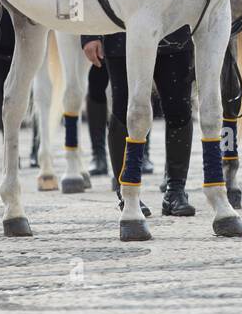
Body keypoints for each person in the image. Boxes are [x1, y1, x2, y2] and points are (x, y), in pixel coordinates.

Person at [81, 28, 196, 217]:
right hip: (122, 33)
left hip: (173, 33)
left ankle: (176, 190)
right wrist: (90, 34)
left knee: (179, 108)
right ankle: (126, 191)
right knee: (124, 107)